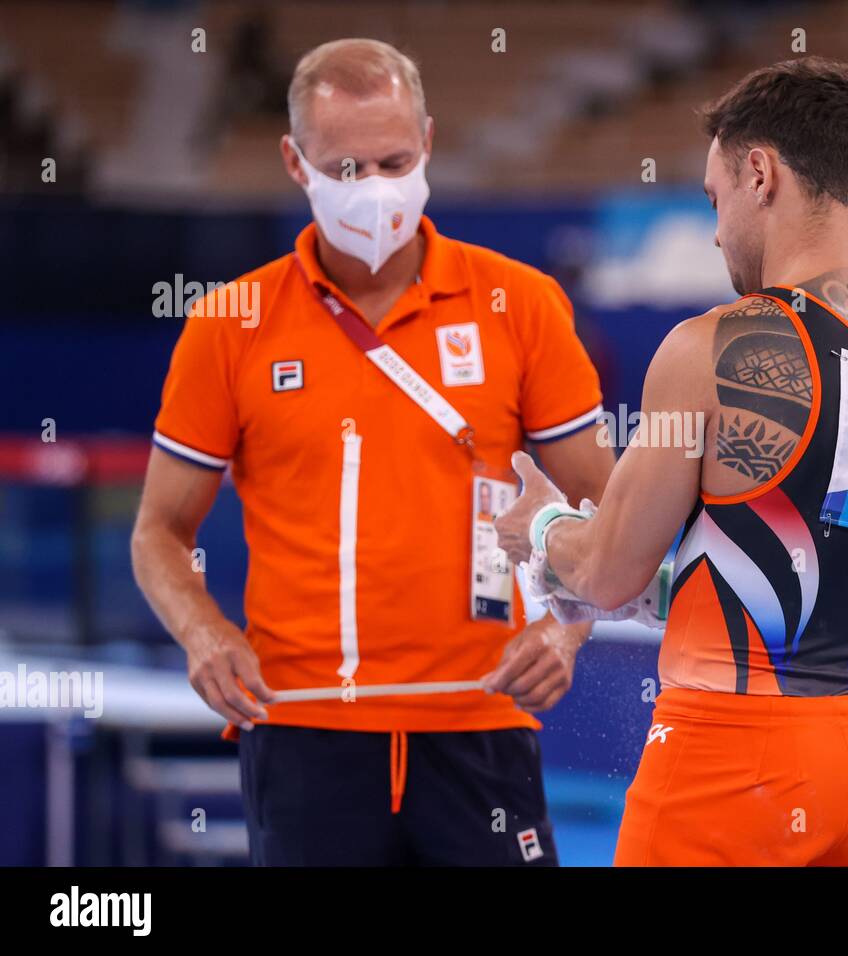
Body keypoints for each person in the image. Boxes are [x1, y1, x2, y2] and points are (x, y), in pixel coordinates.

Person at [130, 39, 613, 866]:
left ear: (428, 140)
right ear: (294, 161)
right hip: (305, 731)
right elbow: (157, 531)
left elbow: (612, 515)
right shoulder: (230, 324)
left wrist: (567, 632)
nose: (375, 189)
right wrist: (204, 633)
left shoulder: (520, 304)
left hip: (481, 728)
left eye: (393, 159)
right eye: (345, 168)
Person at [495, 56, 848, 865]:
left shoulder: (714, 350)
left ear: (759, 173)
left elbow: (607, 575)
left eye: (714, 199)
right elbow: (796, 565)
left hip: (724, 765)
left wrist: (544, 525)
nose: (714, 230)